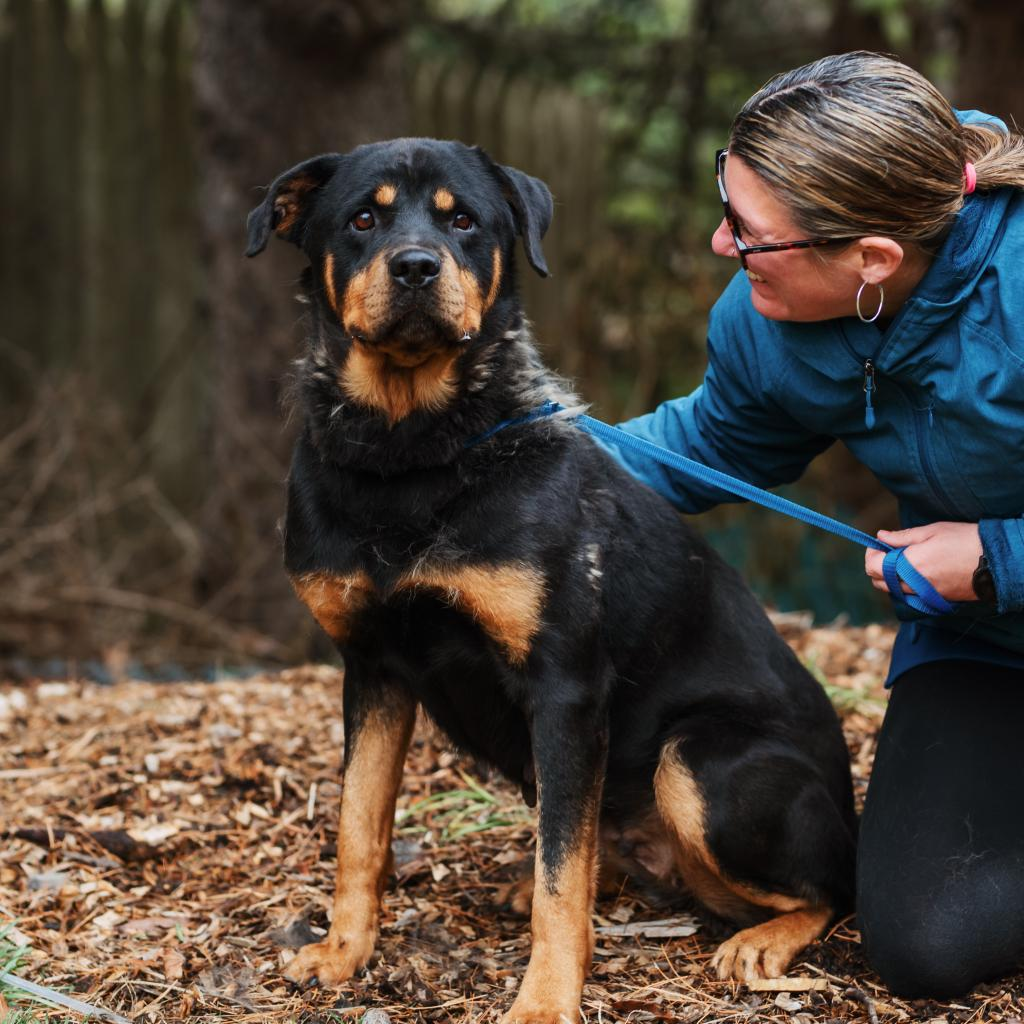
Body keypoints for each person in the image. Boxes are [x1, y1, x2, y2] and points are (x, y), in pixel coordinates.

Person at [596, 51, 1024, 998]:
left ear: (872, 260)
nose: (721, 244)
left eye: (750, 233)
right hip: (990, 645)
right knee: (924, 941)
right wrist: (527, 456)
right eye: (728, 206)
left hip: (994, 587)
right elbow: (710, 441)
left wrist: (998, 556)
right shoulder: (770, 314)